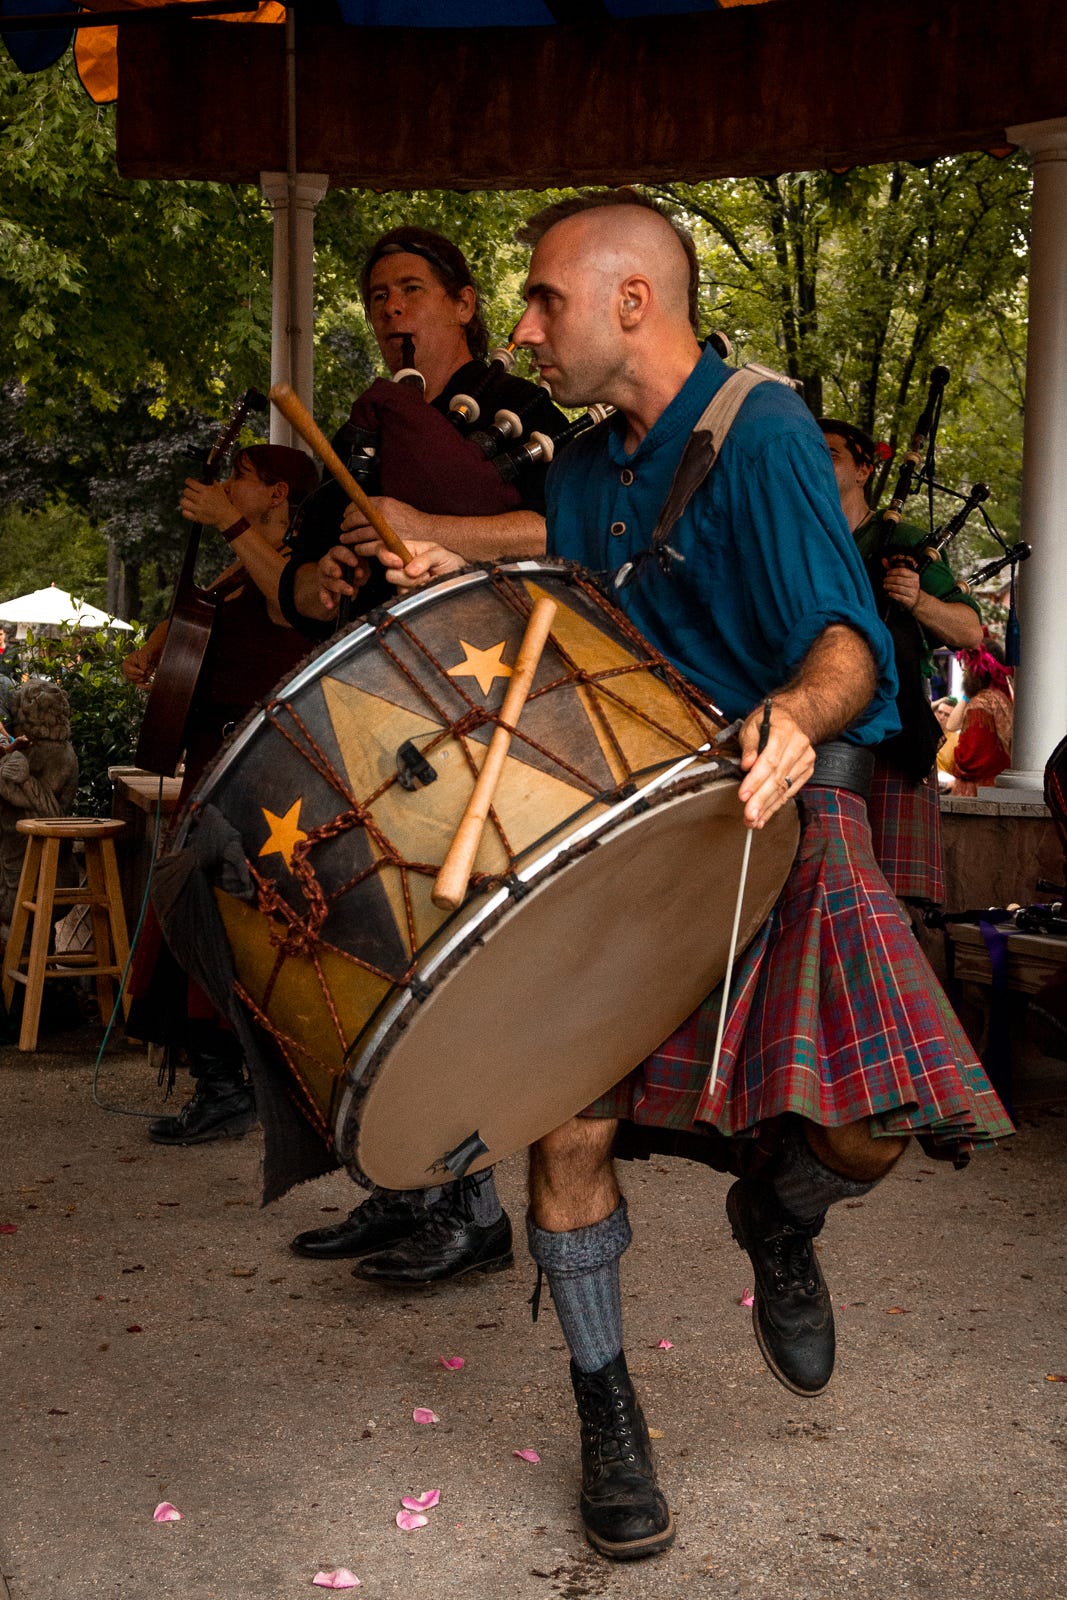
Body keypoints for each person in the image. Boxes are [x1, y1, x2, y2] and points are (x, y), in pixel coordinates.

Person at [352, 191, 1012, 1563]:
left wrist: (792, 713)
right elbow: (552, 542)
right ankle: (606, 1411)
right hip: (615, 836)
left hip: (762, 814)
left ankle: (777, 1210)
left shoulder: (761, 437)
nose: (521, 328)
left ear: (631, 306)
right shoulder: (593, 463)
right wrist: (432, 534)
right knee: (568, 1127)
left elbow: (846, 645)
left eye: (542, 301)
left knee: (865, 1131)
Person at [279, 226, 566, 1287]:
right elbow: (303, 574)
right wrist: (322, 579)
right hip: (379, 704)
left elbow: (561, 527)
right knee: (382, 939)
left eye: (408, 289)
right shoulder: (359, 430)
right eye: (373, 296)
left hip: (496, 706)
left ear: (461, 301)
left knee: (465, 944)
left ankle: (472, 1204)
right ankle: (400, 1184)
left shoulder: (525, 411)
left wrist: (420, 520)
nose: (389, 310)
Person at [123, 443, 321, 1145]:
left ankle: (236, 1085)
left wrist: (227, 526)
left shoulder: (294, 568)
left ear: (276, 495)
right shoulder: (242, 566)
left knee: (235, 923)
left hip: (261, 777)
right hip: (215, 764)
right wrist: (157, 653)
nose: (229, 485)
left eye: (243, 477)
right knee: (189, 916)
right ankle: (220, 1081)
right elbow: (207, 614)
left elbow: (287, 608)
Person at [819, 419, 983, 906]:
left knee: (897, 903)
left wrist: (917, 600)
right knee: (818, 899)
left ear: (865, 469)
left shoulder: (901, 539)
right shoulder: (800, 537)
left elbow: (969, 630)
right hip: (817, 734)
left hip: (895, 739)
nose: (814, 462)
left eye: (830, 455)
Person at [947, 635, 1014, 796]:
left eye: (967, 666)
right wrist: (968, 693)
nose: (964, 672)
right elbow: (951, 725)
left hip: (977, 789)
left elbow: (969, 759)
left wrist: (954, 761)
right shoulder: (1000, 697)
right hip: (995, 787)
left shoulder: (980, 705)